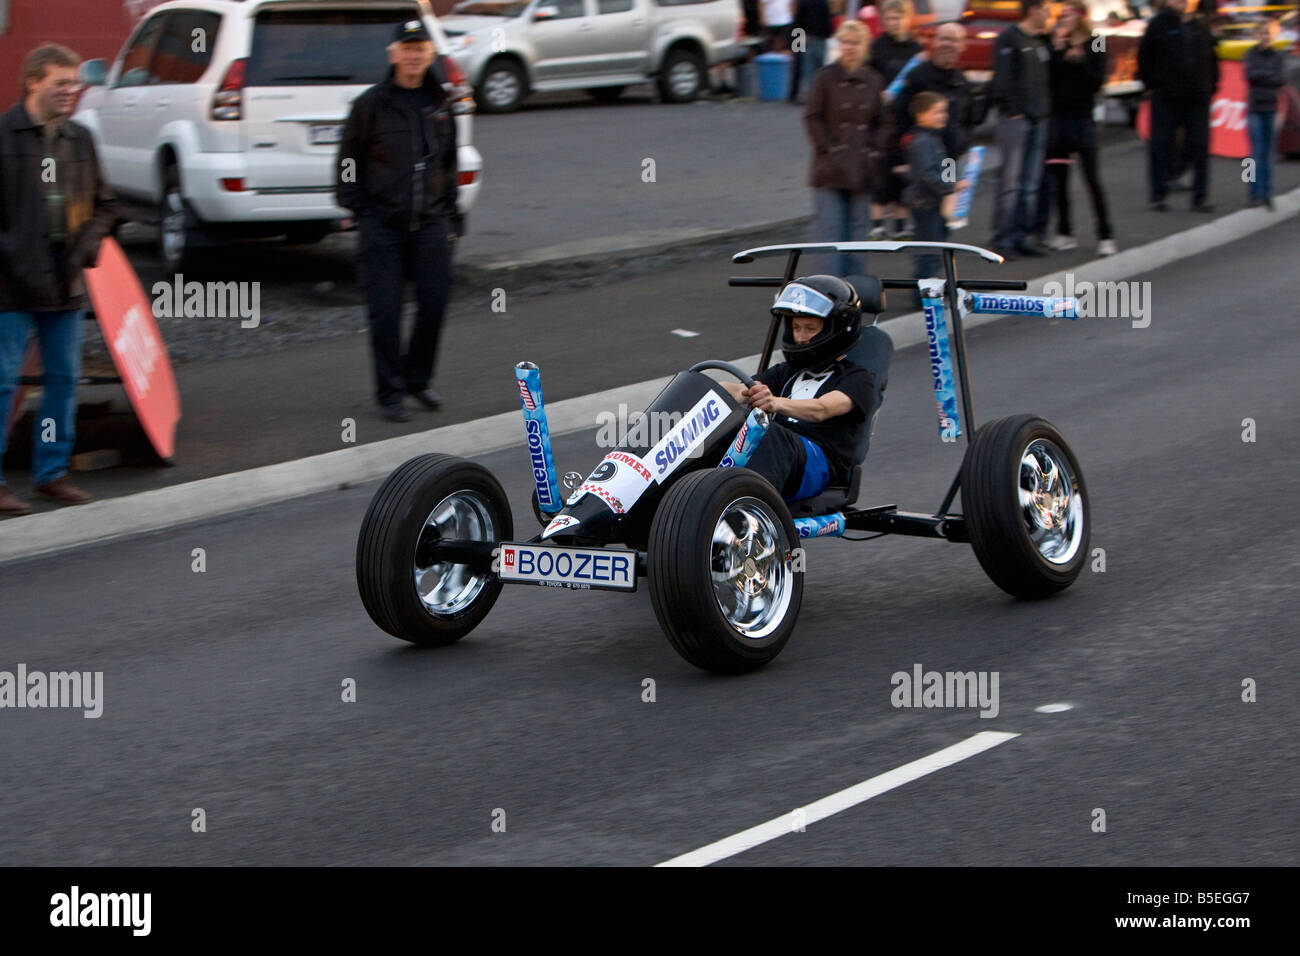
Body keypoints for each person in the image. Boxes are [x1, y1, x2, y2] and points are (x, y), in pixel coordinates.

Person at [0, 44, 117, 516]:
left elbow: (107, 205)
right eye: (60, 84)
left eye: (74, 83)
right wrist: (17, 260)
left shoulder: (79, 140)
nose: (71, 92)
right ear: (32, 82)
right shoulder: (4, 136)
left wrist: (83, 250)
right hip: (8, 285)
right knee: (4, 384)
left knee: (63, 381)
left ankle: (51, 474)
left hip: (64, 282)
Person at [336, 20, 461, 424]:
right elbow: (348, 162)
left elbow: (449, 162)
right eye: (406, 48)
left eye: (420, 47)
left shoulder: (440, 103)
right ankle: (390, 392)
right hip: (382, 225)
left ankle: (416, 379)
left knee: (435, 303)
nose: (413, 54)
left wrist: (450, 212)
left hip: (429, 223)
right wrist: (358, 207)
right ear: (393, 54)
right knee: (385, 312)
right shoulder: (371, 104)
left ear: (430, 53)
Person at [719, 276, 876, 502]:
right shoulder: (786, 371)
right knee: (729, 422)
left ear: (836, 330)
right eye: (796, 327)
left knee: (767, 433)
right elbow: (737, 388)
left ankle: (742, 510)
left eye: (810, 328)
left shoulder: (858, 379)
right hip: (782, 456)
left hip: (820, 466)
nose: (801, 337)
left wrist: (775, 403)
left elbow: (822, 408)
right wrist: (722, 393)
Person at [804, 20, 889, 277]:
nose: (848, 48)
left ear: (865, 46)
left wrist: (874, 148)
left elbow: (885, 120)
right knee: (829, 233)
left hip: (862, 167)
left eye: (854, 43)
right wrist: (826, 147)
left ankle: (854, 292)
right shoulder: (826, 77)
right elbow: (812, 116)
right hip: (830, 168)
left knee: (857, 235)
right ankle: (828, 290)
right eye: (844, 42)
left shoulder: (874, 80)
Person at [1035, 0, 1117, 255]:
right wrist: (1058, 53)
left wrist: (1080, 61)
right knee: (1059, 179)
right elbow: (1047, 80)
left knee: (1092, 179)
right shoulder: (1054, 42)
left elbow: (1098, 80)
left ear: (1081, 18)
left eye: (1070, 15)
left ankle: (1105, 234)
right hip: (1059, 120)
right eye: (1063, 15)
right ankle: (1065, 231)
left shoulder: (1097, 42)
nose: (1065, 20)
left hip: (1082, 120)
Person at [1138, 0, 1219, 212]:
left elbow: (1212, 58)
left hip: (1198, 98)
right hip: (1166, 97)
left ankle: (1200, 198)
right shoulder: (1158, 24)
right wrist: (1153, 85)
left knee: (1200, 147)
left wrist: (1211, 86)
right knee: (1160, 145)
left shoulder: (1200, 26)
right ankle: (1158, 195)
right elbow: (1144, 57)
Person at [990, 0, 1052, 259]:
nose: (1049, 15)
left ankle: (1021, 236)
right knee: (1011, 183)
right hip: (1017, 120)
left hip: (1039, 119)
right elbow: (1002, 78)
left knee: (1030, 184)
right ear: (1033, 10)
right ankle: (1003, 237)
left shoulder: (1040, 41)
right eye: (1046, 10)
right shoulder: (1009, 39)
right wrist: (1011, 108)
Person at [902, 92, 967, 300]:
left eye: (944, 111)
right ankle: (922, 295)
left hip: (933, 202)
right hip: (925, 204)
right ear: (921, 115)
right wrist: (951, 186)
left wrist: (952, 182)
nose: (943, 116)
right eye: (937, 112)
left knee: (934, 249)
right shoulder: (922, 141)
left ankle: (929, 291)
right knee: (929, 252)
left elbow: (944, 166)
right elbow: (927, 175)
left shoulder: (933, 138)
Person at [870, 0, 924, 240]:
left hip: (905, 119)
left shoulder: (916, 50)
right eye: (889, 18)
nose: (893, 23)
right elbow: (868, 75)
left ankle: (902, 225)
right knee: (881, 172)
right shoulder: (877, 47)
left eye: (897, 18)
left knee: (903, 173)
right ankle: (877, 224)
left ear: (907, 19)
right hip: (882, 118)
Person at [893, 22, 976, 169]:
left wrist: (962, 142)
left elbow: (967, 120)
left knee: (948, 189)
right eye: (944, 39)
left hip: (950, 160)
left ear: (963, 46)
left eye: (954, 40)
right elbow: (900, 116)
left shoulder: (962, 81)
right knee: (926, 190)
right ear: (935, 42)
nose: (948, 44)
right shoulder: (917, 76)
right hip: (921, 160)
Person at [1244, 18, 1284, 210]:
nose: (1265, 36)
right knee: (1253, 154)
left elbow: (1280, 78)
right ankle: (1252, 191)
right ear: (1257, 34)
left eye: (1268, 33)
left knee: (1268, 154)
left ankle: (1266, 192)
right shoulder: (1250, 54)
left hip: (1270, 107)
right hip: (1255, 108)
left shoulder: (1278, 56)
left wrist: (1263, 75)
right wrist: (1268, 76)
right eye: (1262, 33)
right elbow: (1250, 75)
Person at [789, 0, 833, 104]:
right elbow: (827, 21)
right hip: (821, 39)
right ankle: (820, 96)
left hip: (806, 38)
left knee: (807, 70)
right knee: (820, 69)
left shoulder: (803, 3)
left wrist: (795, 44)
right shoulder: (823, 3)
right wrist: (827, 35)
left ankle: (803, 95)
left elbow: (798, 22)